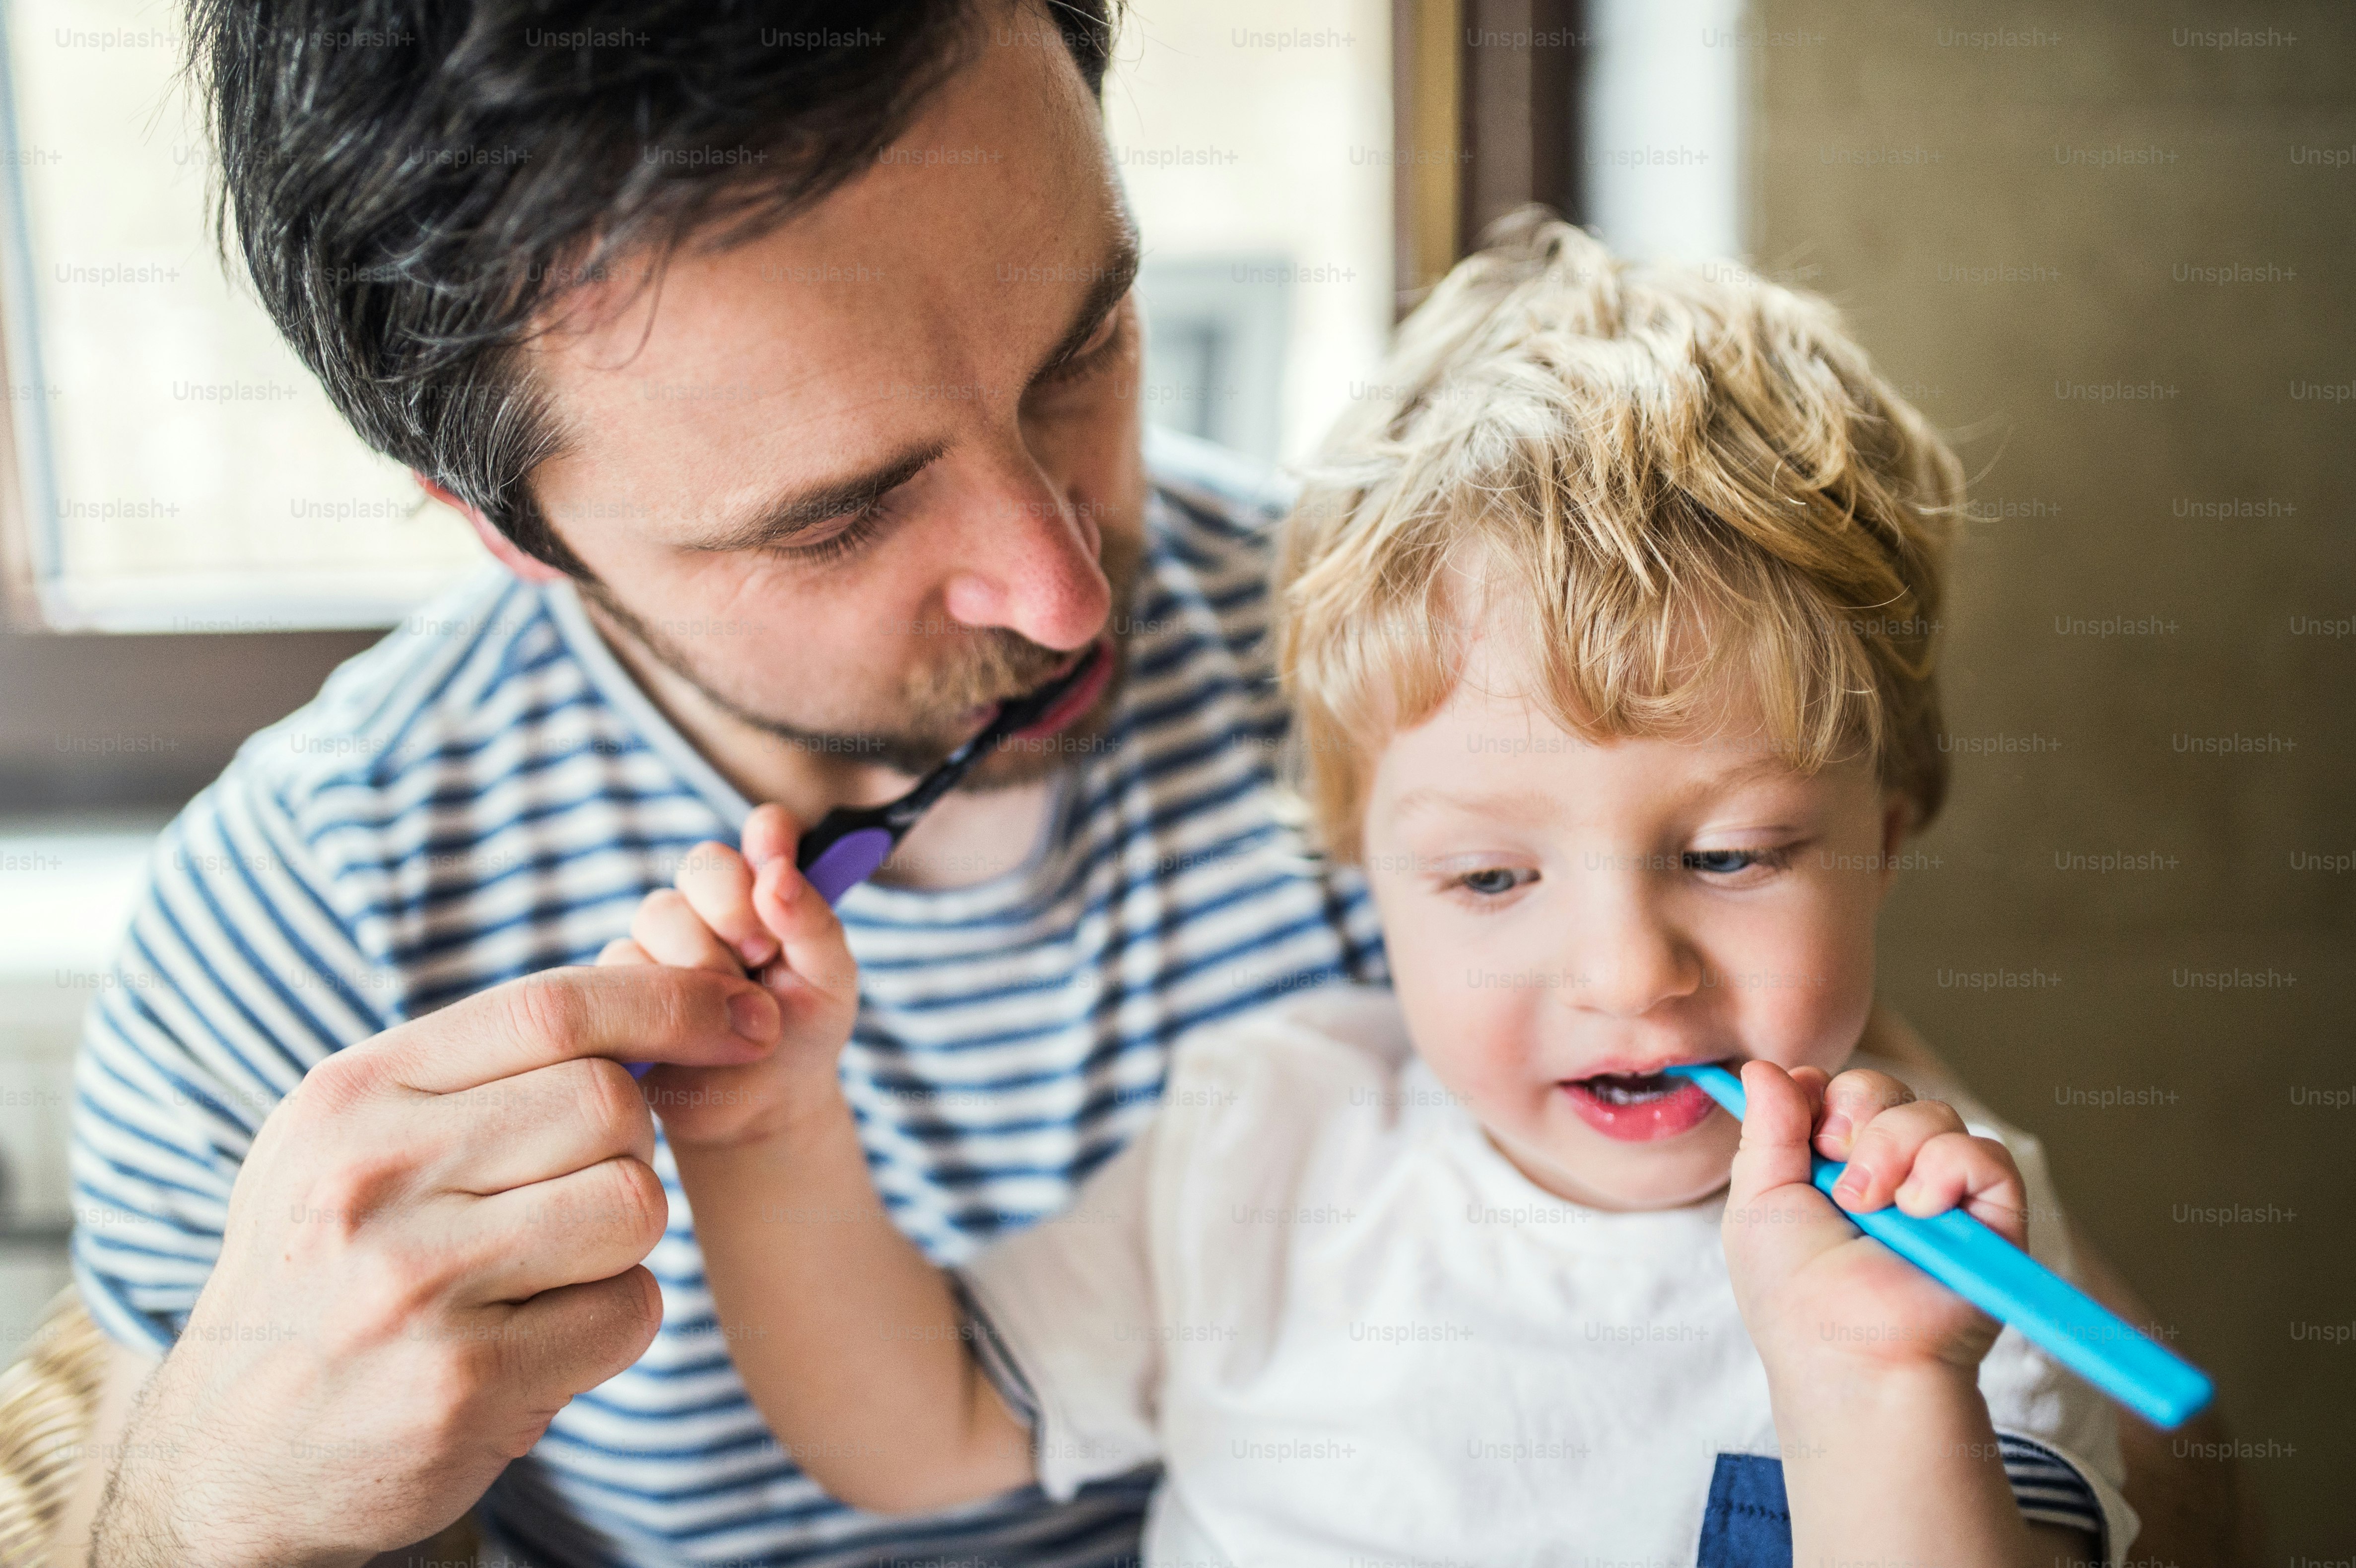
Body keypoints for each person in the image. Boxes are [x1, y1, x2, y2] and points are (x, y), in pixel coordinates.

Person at [54, 2, 2243, 1565]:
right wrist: (223, 1502)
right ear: (502, 525)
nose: (1060, 576)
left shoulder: (1426, 671)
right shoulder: (299, 935)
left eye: (1083, 345)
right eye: (841, 510)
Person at [597, 215, 2137, 1567]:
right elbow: (911, 1434)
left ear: (1892, 827)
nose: (1622, 971)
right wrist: (767, 1131)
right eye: (1486, 875)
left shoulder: (1936, 1248)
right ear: (1362, 868)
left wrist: (1878, 1391)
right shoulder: (1269, 1137)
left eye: (1727, 856)